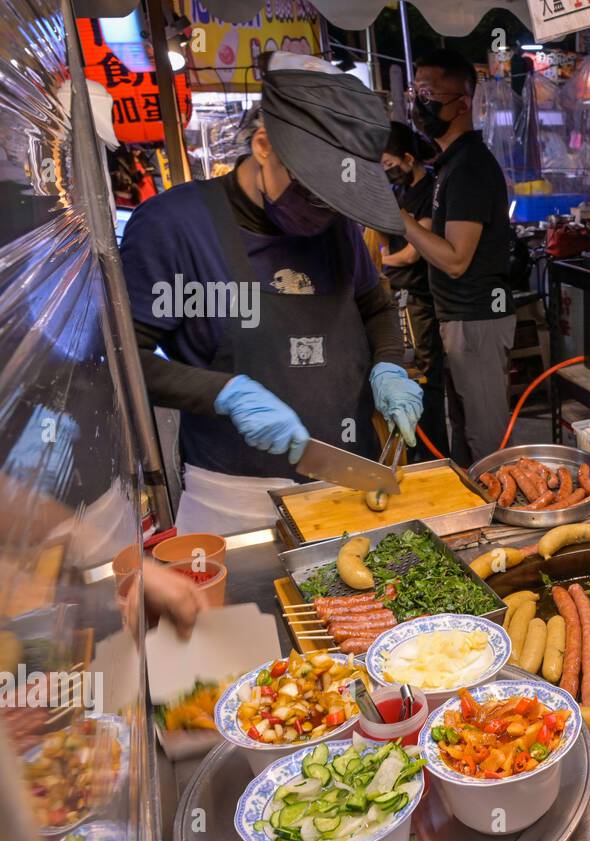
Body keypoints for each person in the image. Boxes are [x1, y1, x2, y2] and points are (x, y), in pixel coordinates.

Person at [121, 53, 422, 533]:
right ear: (263, 145)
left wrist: (390, 364)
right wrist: (225, 394)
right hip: (236, 497)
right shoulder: (173, 227)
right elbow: (123, 360)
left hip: (352, 481)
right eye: (312, 195)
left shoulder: (337, 227)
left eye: (336, 202)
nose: (323, 216)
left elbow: (376, 306)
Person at [400, 48, 517, 464]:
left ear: (463, 103)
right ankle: (478, 517)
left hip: (477, 320)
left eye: (428, 93)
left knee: (487, 443)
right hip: (459, 317)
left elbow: (455, 259)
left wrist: (401, 221)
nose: (418, 104)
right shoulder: (449, 163)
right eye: (416, 93)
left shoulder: (469, 166)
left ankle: (507, 520)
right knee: (466, 435)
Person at [380, 121, 448, 459]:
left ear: (408, 158)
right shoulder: (400, 190)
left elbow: (412, 252)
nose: (387, 171)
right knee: (410, 377)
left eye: (390, 164)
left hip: (420, 300)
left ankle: (434, 457)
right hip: (401, 297)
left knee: (426, 378)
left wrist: (382, 262)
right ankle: (417, 452)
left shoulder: (429, 190)